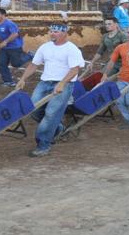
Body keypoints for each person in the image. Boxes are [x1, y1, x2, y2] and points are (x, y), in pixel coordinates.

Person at [12, 24, 86, 158]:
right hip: (44, 83)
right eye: (51, 31)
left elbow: (75, 69)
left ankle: (43, 145)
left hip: (64, 84)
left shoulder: (71, 49)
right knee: (33, 110)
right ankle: (57, 128)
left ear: (64, 34)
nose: (52, 33)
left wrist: (62, 83)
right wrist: (22, 79)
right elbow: (34, 64)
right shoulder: (45, 47)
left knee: (51, 114)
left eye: (55, 32)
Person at [0, 9, 29, 87]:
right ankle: (8, 81)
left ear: (3, 15)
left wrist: (5, 41)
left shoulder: (9, 24)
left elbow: (15, 34)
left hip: (15, 47)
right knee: (2, 64)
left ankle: (29, 55)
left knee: (16, 64)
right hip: (4, 48)